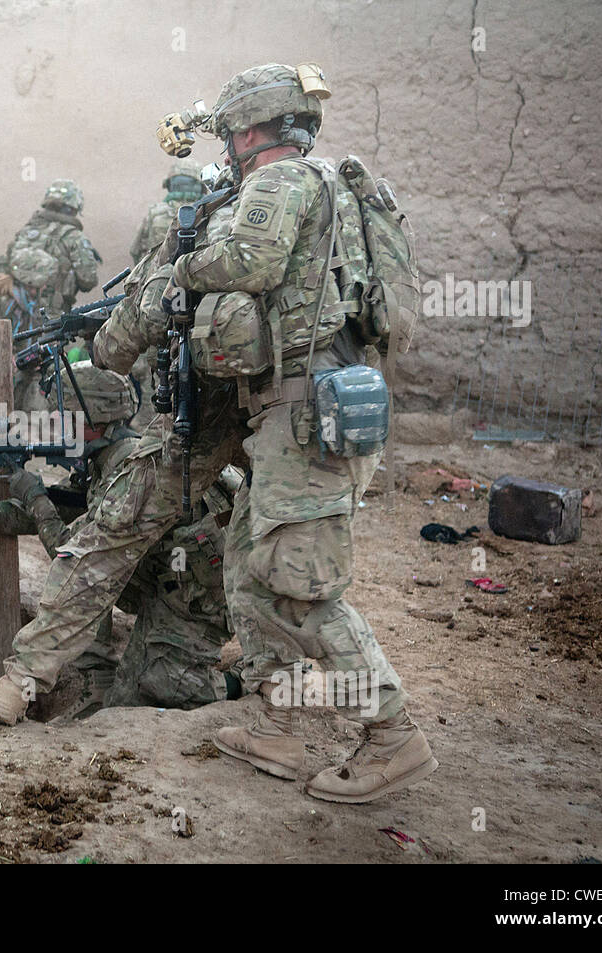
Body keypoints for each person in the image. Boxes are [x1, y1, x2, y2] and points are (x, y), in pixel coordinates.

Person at [149, 62, 436, 804]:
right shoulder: (328, 187)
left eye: (233, 133)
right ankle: (276, 725)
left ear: (253, 129)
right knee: (249, 566)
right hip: (301, 416)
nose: (231, 149)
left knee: (302, 591)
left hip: (305, 420)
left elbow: (250, 259)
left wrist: (183, 267)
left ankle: (392, 733)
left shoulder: (281, 183)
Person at [0, 361, 245, 716]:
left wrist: (33, 495)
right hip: (162, 583)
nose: (54, 428)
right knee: (119, 701)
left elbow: (76, 552)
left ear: (94, 421)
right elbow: (49, 516)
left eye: (63, 419)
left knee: (155, 685)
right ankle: (95, 675)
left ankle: (246, 678)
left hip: (199, 600)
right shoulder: (101, 460)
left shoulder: (128, 466)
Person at [0, 179, 101, 410]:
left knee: (10, 365)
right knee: (45, 374)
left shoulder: (28, 232)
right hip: (49, 318)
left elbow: (0, 267)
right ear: (74, 207)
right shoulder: (73, 238)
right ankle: (35, 427)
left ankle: (2, 418)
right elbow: (88, 279)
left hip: (16, 311)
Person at [130, 158, 206, 264]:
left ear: (170, 185)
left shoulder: (155, 213)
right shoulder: (210, 212)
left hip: (158, 276)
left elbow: (135, 251)